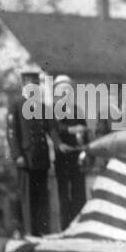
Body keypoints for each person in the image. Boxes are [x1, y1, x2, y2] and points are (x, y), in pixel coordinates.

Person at [7, 69, 52, 236]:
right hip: (25, 158)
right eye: (29, 83)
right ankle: (29, 231)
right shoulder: (17, 105)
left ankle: (42, 229)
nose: (33, 87)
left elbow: (51, 129)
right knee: (27, 197)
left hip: (41, 158)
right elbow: (12, 132)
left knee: (41, 196)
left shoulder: (42, 108)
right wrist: (17, 154)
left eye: (36, 83)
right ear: (23, 85)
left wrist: (60, 145)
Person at [48, 73, 96, 230]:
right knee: (64, 195)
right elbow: (54, 129)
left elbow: (85, 131)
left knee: (79, 193)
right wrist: (70, 129)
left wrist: (87, 149)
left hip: (77, 156)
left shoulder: (77, 110)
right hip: (63, 156)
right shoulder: (54, 110)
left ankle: (80, 226)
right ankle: (66, 227)